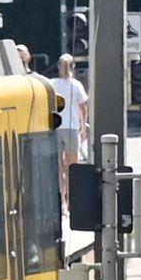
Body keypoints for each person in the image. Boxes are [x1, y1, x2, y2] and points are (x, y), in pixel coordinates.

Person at [52, 53, 89, 185]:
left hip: (56, 128)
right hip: (72, 129)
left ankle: (62, 199)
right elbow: (83, 109)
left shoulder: (52, 84)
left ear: (58, 67)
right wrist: (83, 127)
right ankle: (72, 195)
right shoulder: (77, 85)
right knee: (72, 167)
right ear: (73, 67)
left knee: (59, 168)